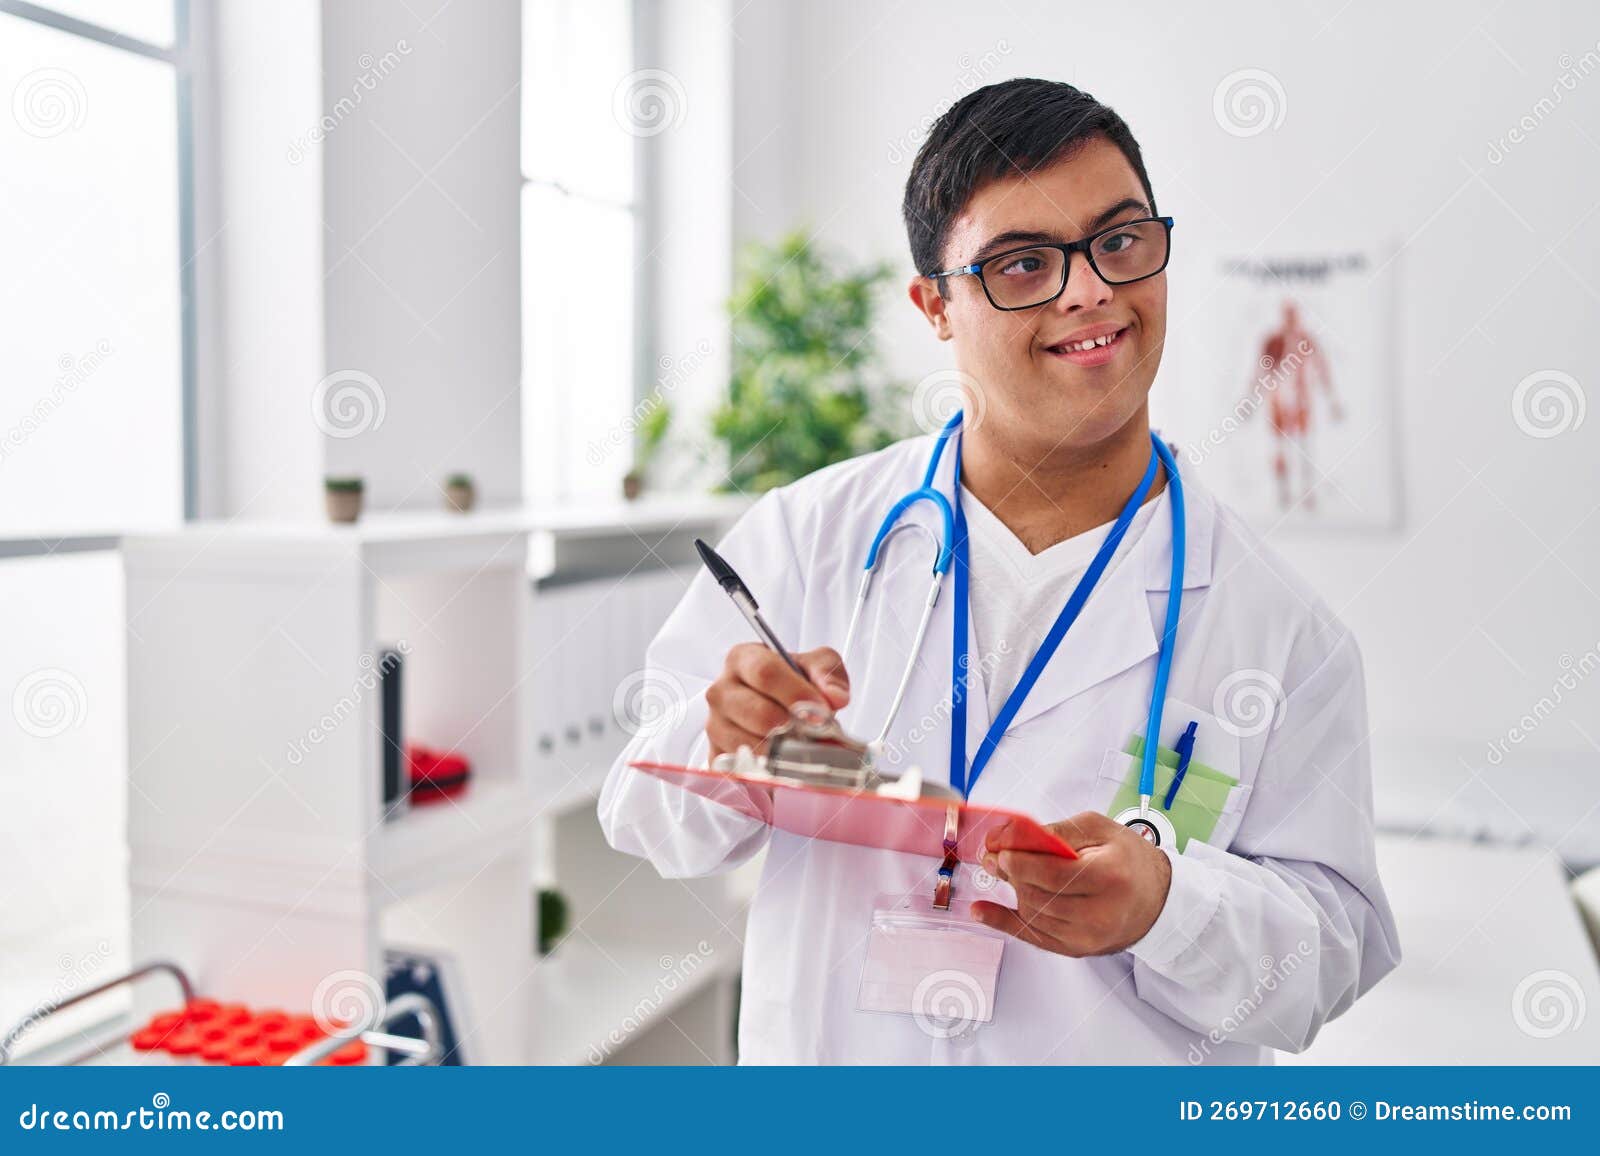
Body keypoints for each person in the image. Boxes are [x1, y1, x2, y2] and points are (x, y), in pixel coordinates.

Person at [599, 77, 1399, 1064]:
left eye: (1119, 240)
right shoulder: (810, 536)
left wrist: (1167, 906)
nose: (1088, 289)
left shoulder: (1279, 629)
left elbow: (1333, 952)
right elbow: (641, 817)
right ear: (933, 306)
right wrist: (726, 741)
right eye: (1021, 264)